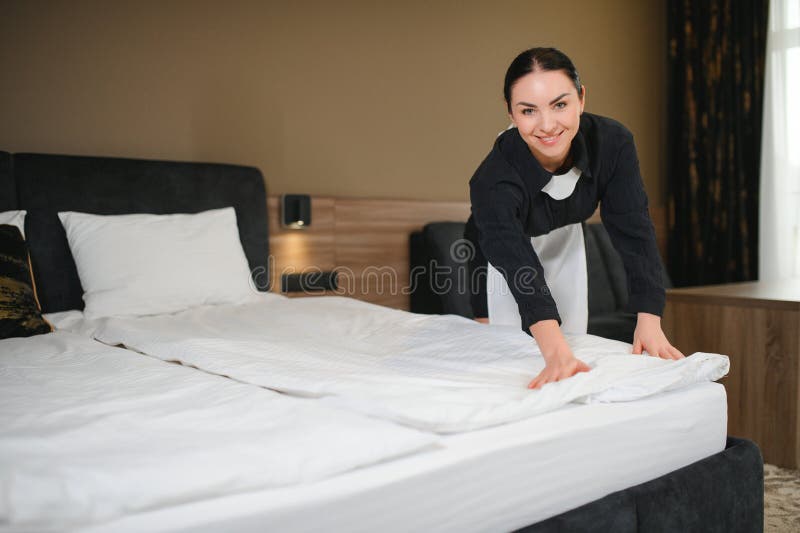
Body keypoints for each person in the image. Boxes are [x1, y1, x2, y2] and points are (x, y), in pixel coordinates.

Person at [464, 47, 684, 391]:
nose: (548, 125)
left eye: (560, 104)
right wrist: (554, 353)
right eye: (528, 111)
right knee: (511, 356)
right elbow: (515, 259)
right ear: (510, 113)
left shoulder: (613, 144)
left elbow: (634, 231)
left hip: (566, 237)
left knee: (573, 343)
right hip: (500, 257)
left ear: (581, 98)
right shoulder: (492, 180)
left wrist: (649, 319)